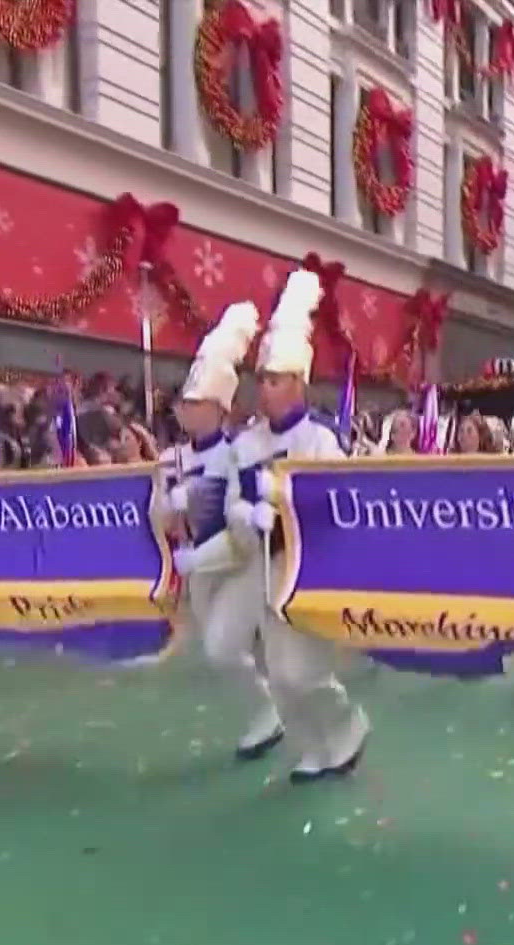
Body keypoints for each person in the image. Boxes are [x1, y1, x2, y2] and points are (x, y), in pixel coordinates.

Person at [224, 269, 372, 781]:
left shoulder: (321, 439)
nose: (264, 390)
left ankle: (347, 726)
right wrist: (248, 514)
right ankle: (312, 746)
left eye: (275, 380)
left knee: (303, 671)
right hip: (264, 566)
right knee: (279, 676)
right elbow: (232, 503)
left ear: (298, 382)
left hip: (307, 567)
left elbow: (337, 500)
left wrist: (286, 501)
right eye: (261, 380)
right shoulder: (245, 443)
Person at [160, 302, 287, 760]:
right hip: (199, 571)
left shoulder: (242, 454)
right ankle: (269, 706)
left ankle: (268, 714)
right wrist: (169, 510)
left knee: (222, 650)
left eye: (195, 402)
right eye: (184, 402)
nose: (184, 409)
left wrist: (199, 555)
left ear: (218, 408)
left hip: (241, 566)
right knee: (221, 652)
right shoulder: (172, 458)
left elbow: (246, 533)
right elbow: (163, 525)